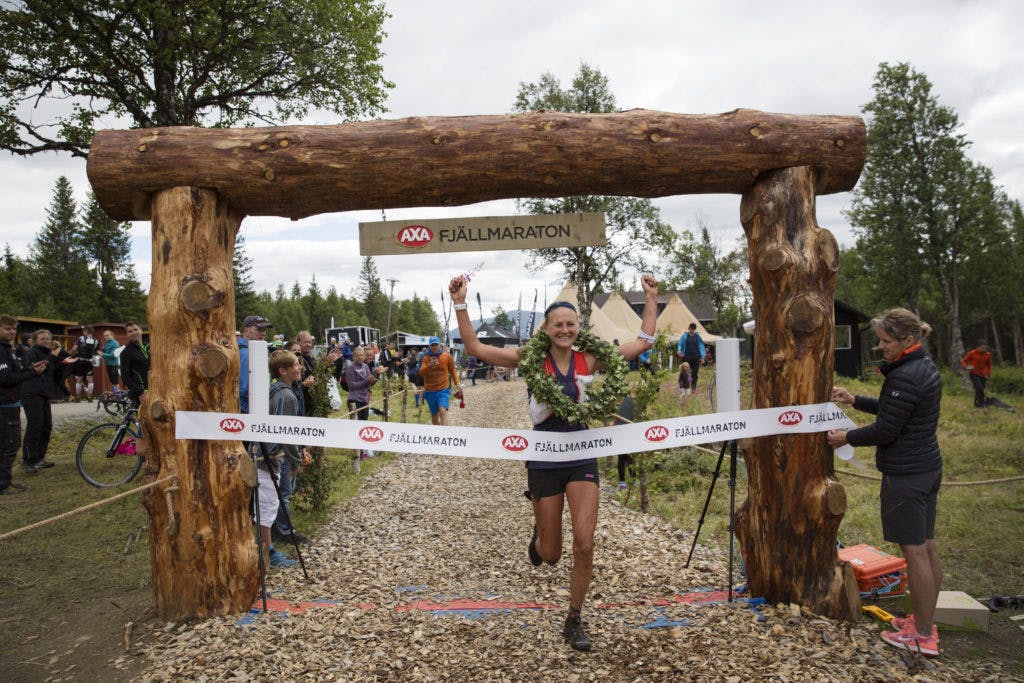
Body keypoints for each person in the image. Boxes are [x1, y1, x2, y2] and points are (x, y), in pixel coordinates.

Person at [450, 272, 659, 652]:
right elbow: (474, 347)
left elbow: (643, 343)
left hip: (581, 456)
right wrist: (461, 302)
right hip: (544, 458)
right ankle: (540, 536)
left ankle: (574, 618)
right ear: (547, 329)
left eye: (570, 324)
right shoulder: (529, 360)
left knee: (585, 543)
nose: (565, 330)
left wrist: (650, 298)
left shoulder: (590, 358)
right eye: (558, 325)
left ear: (579, 327)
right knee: (551, 555)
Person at [827, 308, 942, 657]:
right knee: (927, 546)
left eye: (886, 341)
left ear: (909, 340)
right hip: (926, 468)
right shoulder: (922, 368)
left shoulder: (905, 375)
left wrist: (845, 437)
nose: (880, 347)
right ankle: (925, 621)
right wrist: (855, 400)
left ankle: (922, 635)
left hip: (906, 476)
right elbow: (896, 411)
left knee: (915, 552)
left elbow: (888, 429)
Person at [256, 350, 308, 570]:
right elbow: (287, 433)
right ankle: (267, 551)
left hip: (265, 454)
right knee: (268, 506)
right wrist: (295, 461)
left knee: (266, 504)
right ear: (283, 370)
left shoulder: (274, 389)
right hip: (270, 457)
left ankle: (265, 547)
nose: (300, 368)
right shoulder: (287, 396)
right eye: (296, 365)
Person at [1, 314, 49, 495]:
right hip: (6, 403)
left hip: (12, 402)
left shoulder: (8, 348)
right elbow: (6, 379)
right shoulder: (2, 350)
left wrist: (30, 371)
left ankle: (5, 481)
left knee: (8, 445)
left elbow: (14, 374)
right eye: (7, 328)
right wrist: (31, 373)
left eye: (14, 328)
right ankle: (3, 484)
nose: (12, 332)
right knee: (10, 445)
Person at [20, 330, 58, 473]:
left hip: (44, 393)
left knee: (46, 425)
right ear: (35, 340)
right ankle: (29, 460)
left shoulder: (48, 353)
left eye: (48, 339)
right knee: (35, 426)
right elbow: (40, 369)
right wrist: (53, 359)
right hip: (31, 393)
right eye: (43, 339)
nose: (46, 341)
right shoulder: (32, 352)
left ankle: (40, 458)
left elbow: (54, 371)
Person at [345, 346, 379, 470]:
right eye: (357, 355)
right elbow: (351, 385)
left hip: (364, 399)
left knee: (364, 425)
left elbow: (370, 381)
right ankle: (356, 452)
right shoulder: (350, 368)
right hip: (354, 399)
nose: (360, 357)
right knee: (356, 426)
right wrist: (366, 381)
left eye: (361, 355)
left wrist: (375, 378)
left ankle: (363, 450)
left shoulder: (365, 367)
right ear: (353, 356)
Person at [419, 336, 461, 427]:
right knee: (434, 418)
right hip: (430, 390)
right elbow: (421, 372)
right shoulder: (425, 357)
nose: (434, 347)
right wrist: (429, 366)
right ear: (429, 346)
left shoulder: (446, 356)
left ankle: (444, 433)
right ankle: (438, 432)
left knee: (443, 410)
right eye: (432, 345)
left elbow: (453, 370)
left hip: (443, 389)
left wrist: (457, 383)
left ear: (439, 345)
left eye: (436, 345)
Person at [238, 315, 272, 413]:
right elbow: (244, 389)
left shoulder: (250, 350)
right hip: (247, 413)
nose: (263, 333)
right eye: (259, 329)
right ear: (246, 330)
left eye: (265, 329)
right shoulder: (246, 354)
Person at [118, 321, 150, 407]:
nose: (134, 333)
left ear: (141, 330)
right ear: (127, 335)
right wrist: (140, 392)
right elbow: (125, 377)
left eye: (136, 329)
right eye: (130, 331)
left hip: (157, 389)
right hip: (141, 394)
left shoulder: (150, 346)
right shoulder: (126, 353)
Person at [961, 341, 992, 408]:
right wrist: (966, 367)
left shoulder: (987, 354)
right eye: (983, 348)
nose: (984, 349)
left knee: (980, 389)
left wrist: (988, 374)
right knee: (979, 387)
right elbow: (964, 361)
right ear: (978, 347)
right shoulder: (972, 353)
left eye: (985, 348)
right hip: (974, 373)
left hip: (983, 374)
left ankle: (976, 404)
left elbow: (989, 365)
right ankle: (982, 404)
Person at [73, 324, 99, 401]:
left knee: (79, 379)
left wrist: (73, 355)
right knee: (90, 380)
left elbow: (74, 349)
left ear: (85, 331)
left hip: (80, 361)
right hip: (89, 362)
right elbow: (96, 351)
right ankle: (89, 396)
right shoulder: (96, 340)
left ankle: (78, 397)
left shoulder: (81, 338)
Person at [676, 323, 705, 390]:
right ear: (689, 328)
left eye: (693, 329)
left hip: (696, 358)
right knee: (685, 373)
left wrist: (703, 357)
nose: (692, 330)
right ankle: (684, 386)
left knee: (694, 373)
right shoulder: (684, 336)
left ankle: (693, 387)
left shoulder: (697, 337)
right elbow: (680, 344)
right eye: (691, 329)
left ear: (695, 329)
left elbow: (701, 346)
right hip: (686, 358)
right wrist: (679, 350)